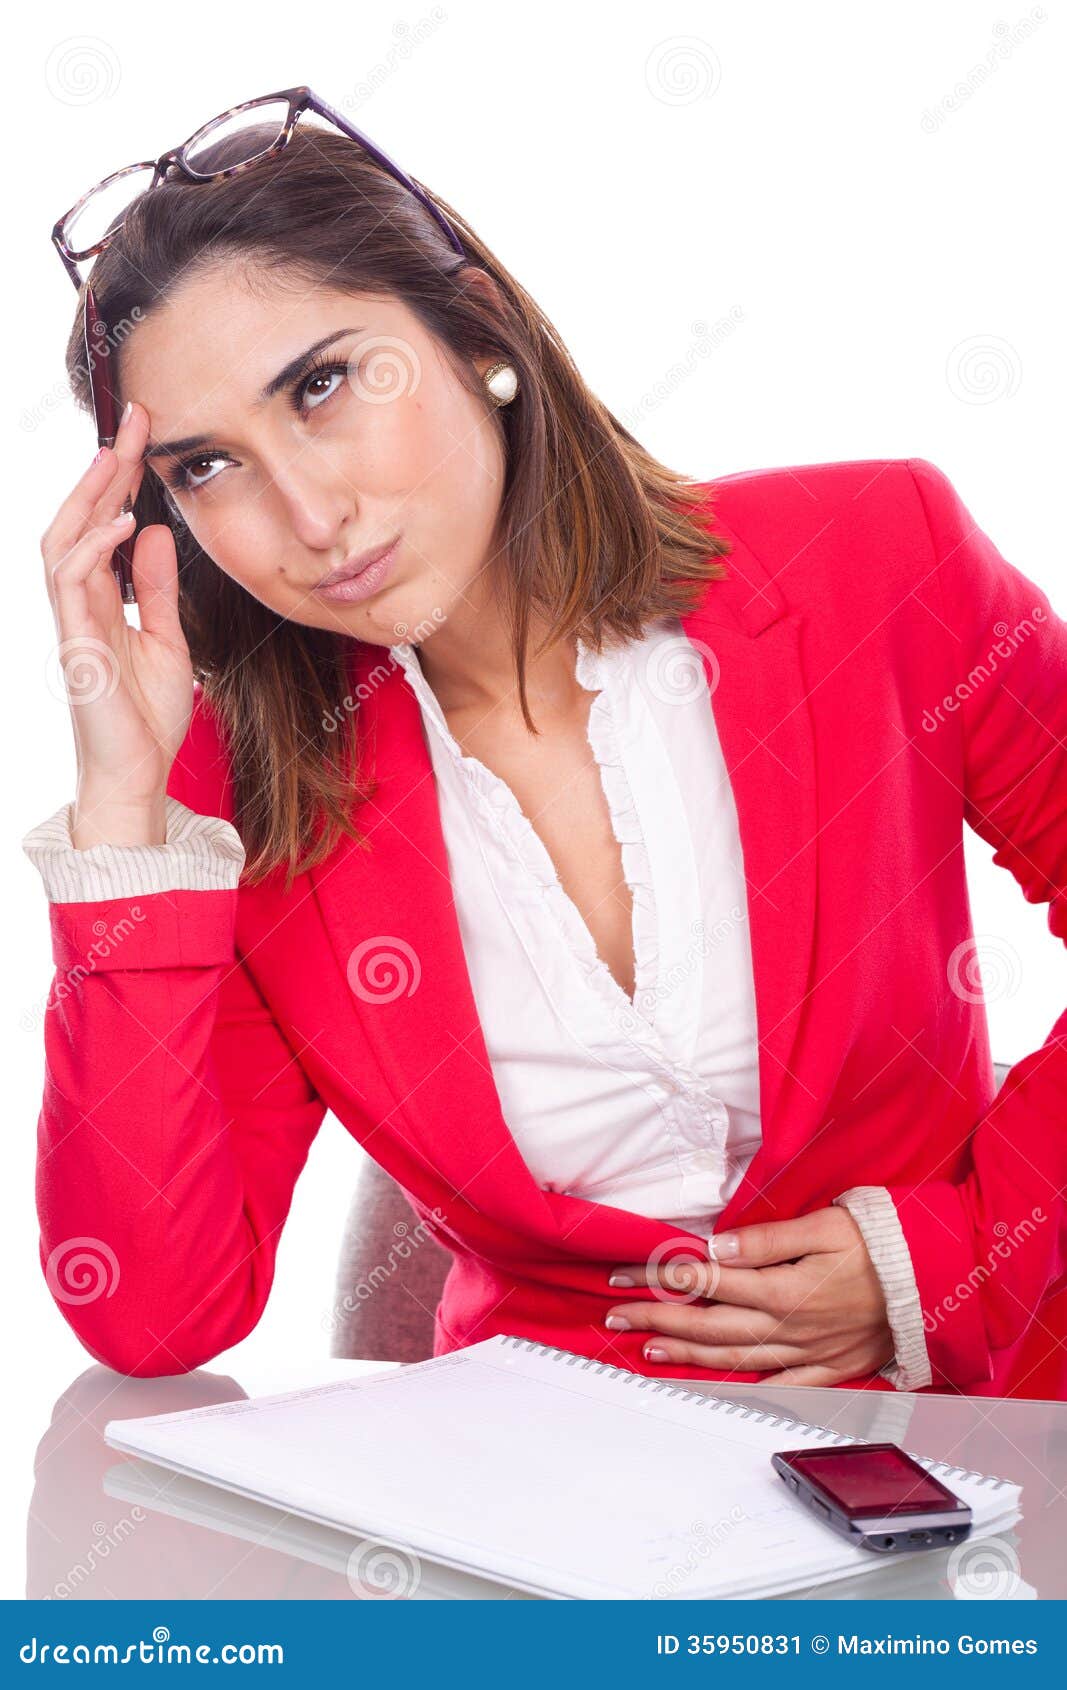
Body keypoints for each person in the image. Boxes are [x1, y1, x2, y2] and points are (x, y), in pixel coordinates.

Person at [23, 102, 1067, 1398]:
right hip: (541, 1513)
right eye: (208, 464)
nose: (308, 513)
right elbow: (150, 1312)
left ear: (473, 331)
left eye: (323, 385)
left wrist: (954, 1256)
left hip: (964, 1456)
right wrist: (122, 815)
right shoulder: (234, 791)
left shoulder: (876, 559)